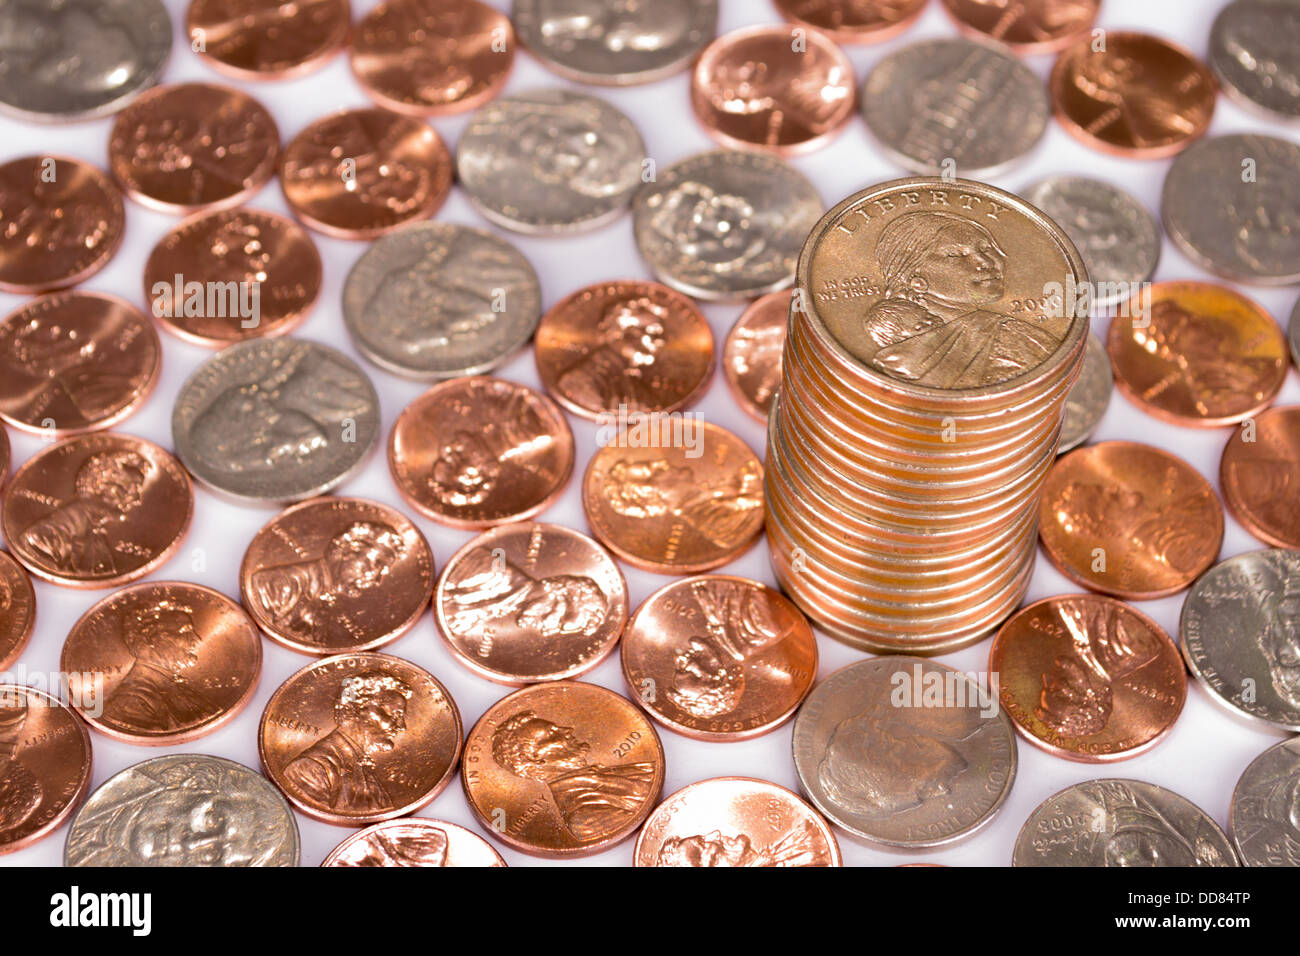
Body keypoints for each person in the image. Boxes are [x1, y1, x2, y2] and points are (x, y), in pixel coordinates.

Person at [863, 211, 1060, 388]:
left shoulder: (1021, 336)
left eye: (985, 249)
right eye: (955, 254)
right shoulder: (894, 349)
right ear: (916, 281)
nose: (987, 262)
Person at [491, 711, 656, 841]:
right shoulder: (584, 819)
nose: (567, 730)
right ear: (534, 757)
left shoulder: (600, 775)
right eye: (551, 733)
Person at [248, 521, 406, 640]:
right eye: (375, 565)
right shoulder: (274, 584)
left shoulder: (328, 607)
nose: (377, 580)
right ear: (348, 552)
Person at [284, 672, 412, 813]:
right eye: (393, 715)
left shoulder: (362, 767)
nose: (401, 726)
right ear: (353, 709)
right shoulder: (310, 768)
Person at [1035, 601, 1160, 737]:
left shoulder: (1085, 649)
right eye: (1056, 690)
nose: (1047, 676)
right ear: (1089, 695)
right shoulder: (1131, 648)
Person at [21, 450, 150, 577]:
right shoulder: (43, 535)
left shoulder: (94, 531)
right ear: (104, 486)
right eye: (132, 488)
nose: (137, 499)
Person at [441, 545, 607, 638]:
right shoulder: (491, 569)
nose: (547, 630)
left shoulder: (500, 607)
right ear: (558, 591)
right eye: (560, 620)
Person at [103, 598, 215, 734]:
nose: (197, 639)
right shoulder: (131, 702)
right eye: (185, 631)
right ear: (151, 638)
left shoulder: (177, 687)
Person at [556, 296, 669, 414]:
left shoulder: (635, 382)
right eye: (653, 333)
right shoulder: (579, 380)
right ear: (620, 333)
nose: (661, 341)